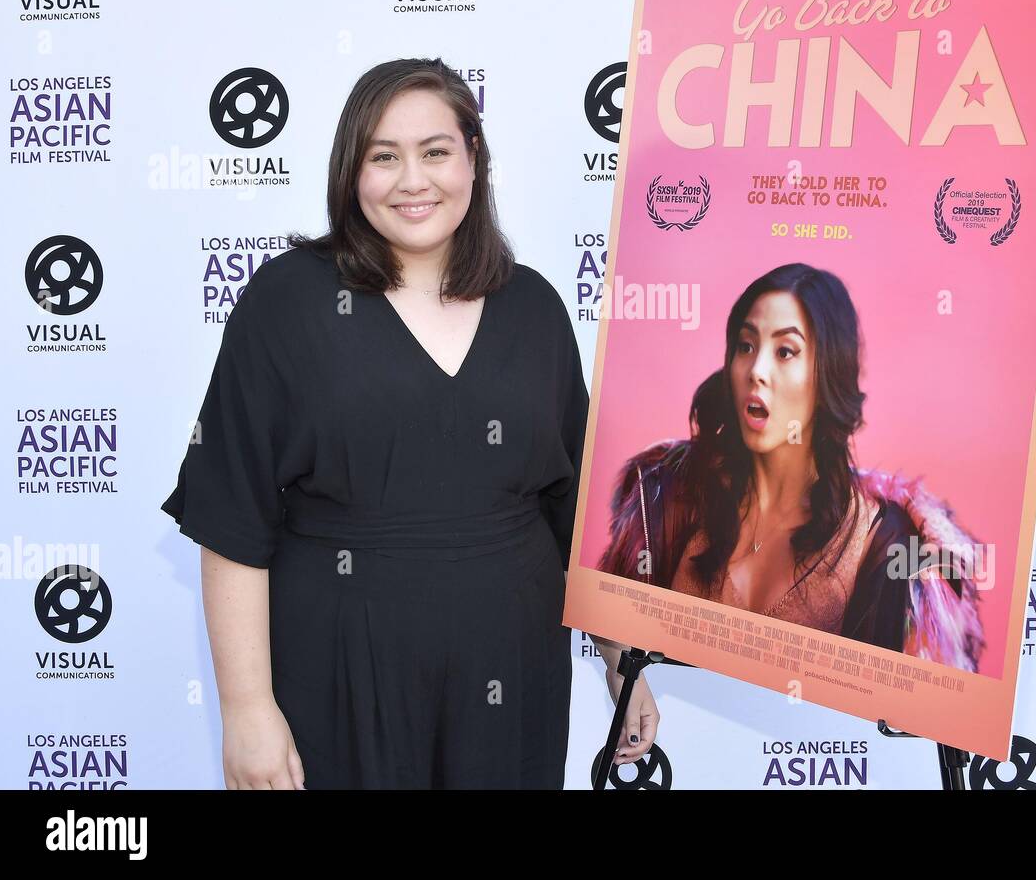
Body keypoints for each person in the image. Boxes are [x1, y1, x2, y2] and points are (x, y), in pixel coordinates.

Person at [162, 57, 657, 789]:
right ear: (350, 171)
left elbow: (576, 517)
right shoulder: (287, 303)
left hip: (512, 677)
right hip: (336, 679)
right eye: (383, 157)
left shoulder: (535, 308)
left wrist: (623, 662)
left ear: (472, 160)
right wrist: (246, 710)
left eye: (435, 152)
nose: (413, 180)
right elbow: (232, 518)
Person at [598, 263, 985, 671]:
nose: (757, 371)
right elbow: (616, 633)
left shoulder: (882, 544)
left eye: (785, 351)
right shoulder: (670, 495)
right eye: (746, 346)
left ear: (827, 374)